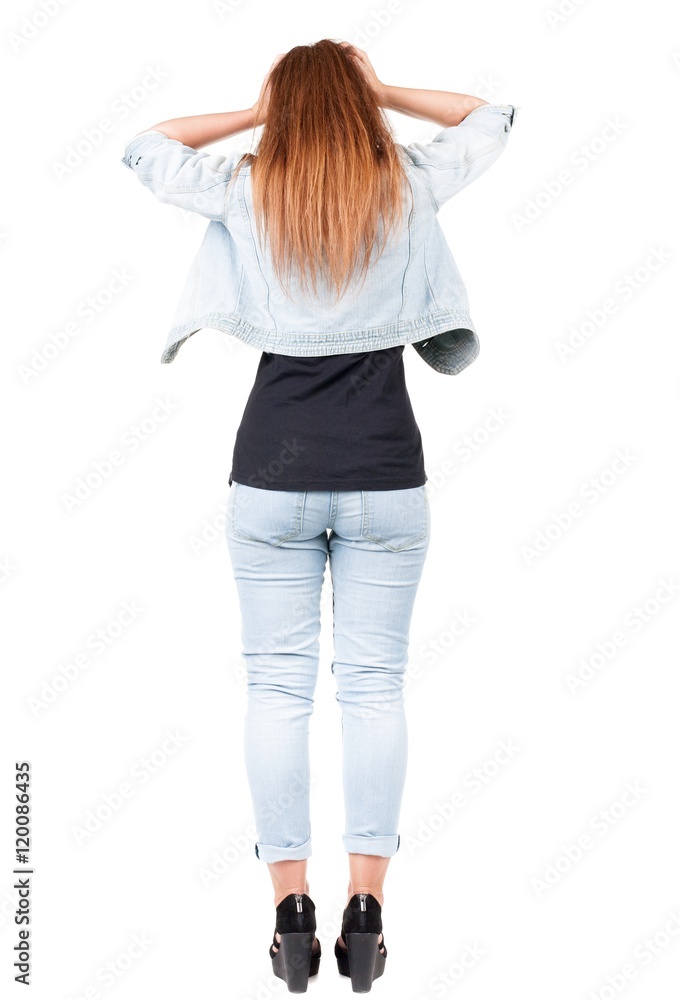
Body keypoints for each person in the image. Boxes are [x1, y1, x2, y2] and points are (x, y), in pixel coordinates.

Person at [121, 38, 518, 993]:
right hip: (387, 474)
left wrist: (261, 114)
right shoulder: (406, 183)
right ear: (358, 102)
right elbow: (491, 118)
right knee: (375, 689)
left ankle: (290, 910)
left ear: (285, 107)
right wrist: (381, 90)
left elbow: (147, 146)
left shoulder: (247, 187)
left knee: (276, 690)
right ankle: (368, 909)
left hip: (271, 476)